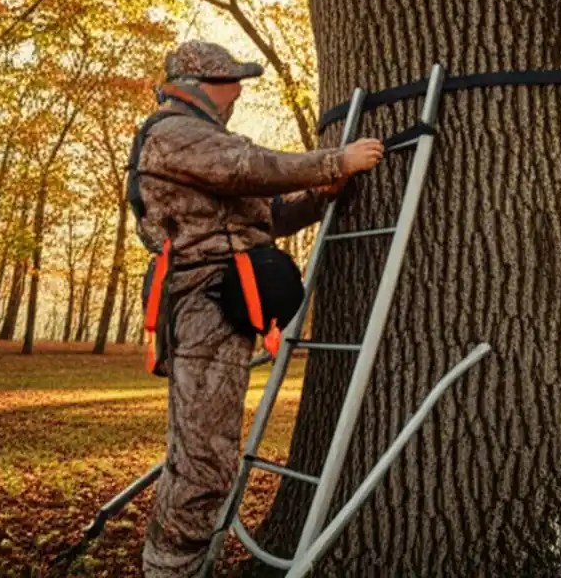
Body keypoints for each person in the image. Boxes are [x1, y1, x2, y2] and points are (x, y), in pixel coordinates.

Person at [135, 40, 384, 577]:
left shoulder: (204, 146)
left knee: (202, 454)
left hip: (219, 301)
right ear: (198, 86)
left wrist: (322, 195)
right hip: (201, 303)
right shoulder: (175, 133)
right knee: (205, 463)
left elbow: (264, 215)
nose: (239, 91)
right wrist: (332, 160)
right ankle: (168, 571)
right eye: (231, 81)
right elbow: (252, 168)